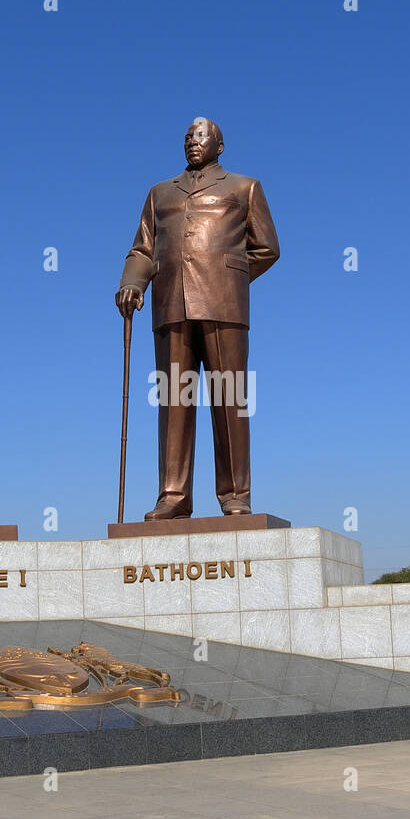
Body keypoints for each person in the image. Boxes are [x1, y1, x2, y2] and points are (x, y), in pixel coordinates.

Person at [116, 117, 279, 520]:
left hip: (223, 304)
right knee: (174, 401)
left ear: (219, 146)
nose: (193, 141)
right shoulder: (159, 193)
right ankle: (173, 495)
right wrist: (133, 282)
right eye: (188, 136)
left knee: (228, 399)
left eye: (201, 135)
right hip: (170, 305)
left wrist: (229, 277)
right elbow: (142, 249)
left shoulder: (244, 187)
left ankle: (235, 494)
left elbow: (267, 248)